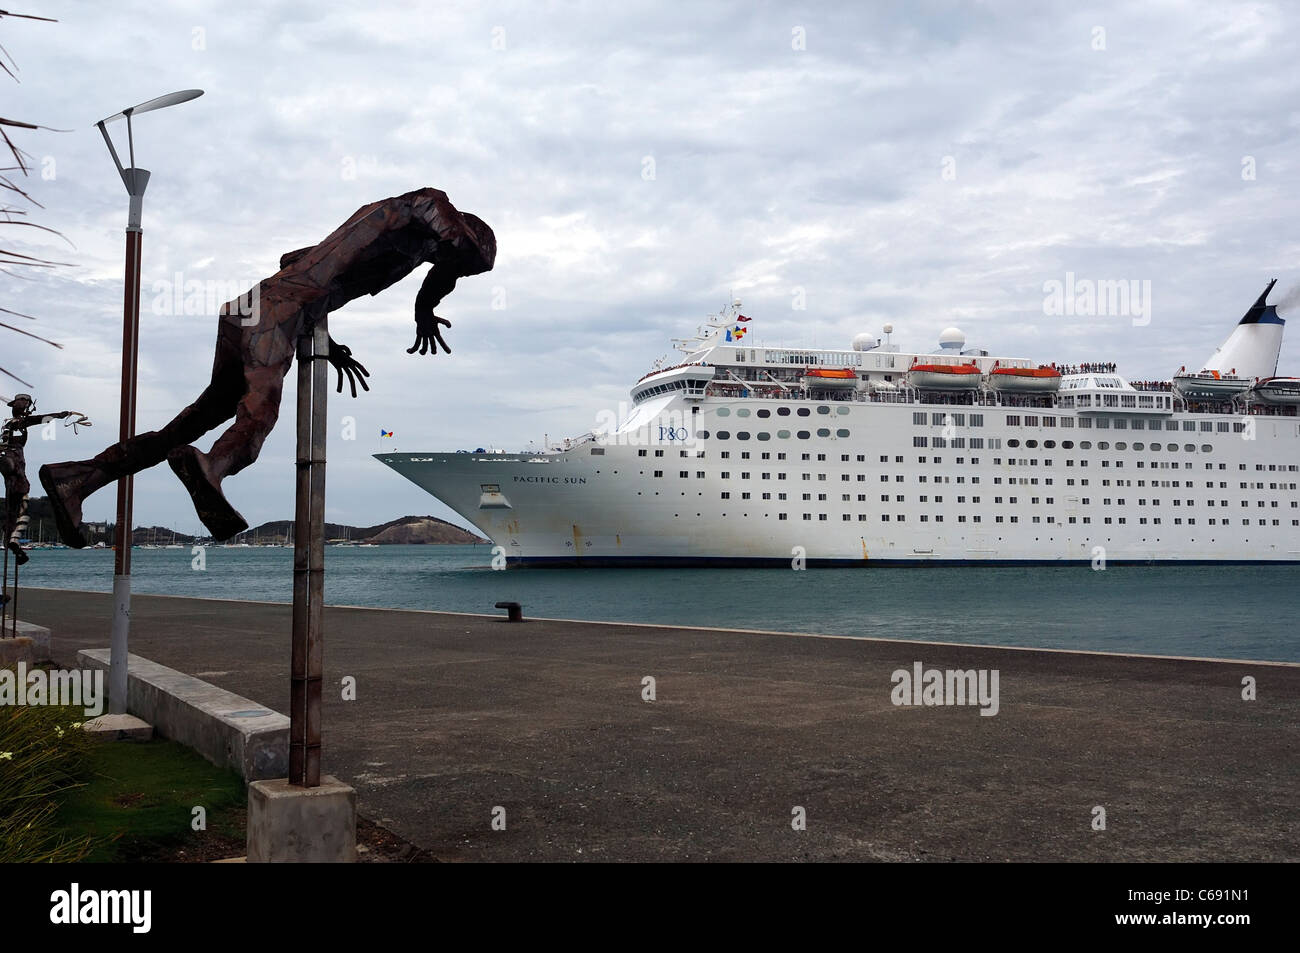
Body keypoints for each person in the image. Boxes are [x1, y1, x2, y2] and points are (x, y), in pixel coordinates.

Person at [40, 187, 496, 546]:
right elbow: (438, 218)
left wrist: (351, 335)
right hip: (276, 313)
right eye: (466, 264)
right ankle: (211, 468)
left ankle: (78, 479)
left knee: (188, 424)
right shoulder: (421, 207)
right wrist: (452, 264)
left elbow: (295, 264)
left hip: (251, 309)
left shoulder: (390, 238)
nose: (458, 269)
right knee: (258, 416)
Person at [1, 394, 88, 564]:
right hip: (15, 462)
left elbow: (36, 420)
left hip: (12, 466)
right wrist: (59, 415)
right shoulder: (15, 423)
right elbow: (39, 419)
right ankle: (13, 541)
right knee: (22, 496)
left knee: (15, 507)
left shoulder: (10, 423)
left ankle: (13, 542)